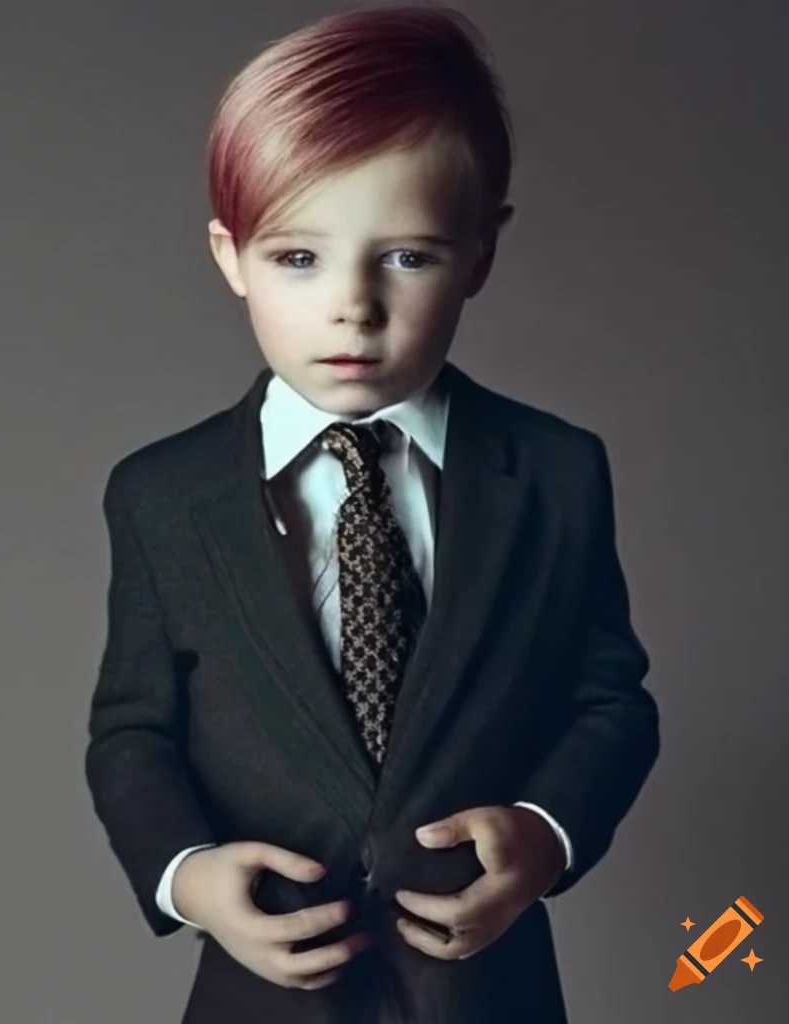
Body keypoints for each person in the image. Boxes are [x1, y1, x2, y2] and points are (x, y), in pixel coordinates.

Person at [84, 6, 659, 1022]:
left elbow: (609, 698)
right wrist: (189, 877)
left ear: (479, 253)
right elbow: (132, 731)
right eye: (298, 258)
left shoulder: (559, 473)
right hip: (263, 994)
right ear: (231, 256)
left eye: (406, 256)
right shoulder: (160, 495)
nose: (352, 303)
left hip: (488, 990)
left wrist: (544, 831)